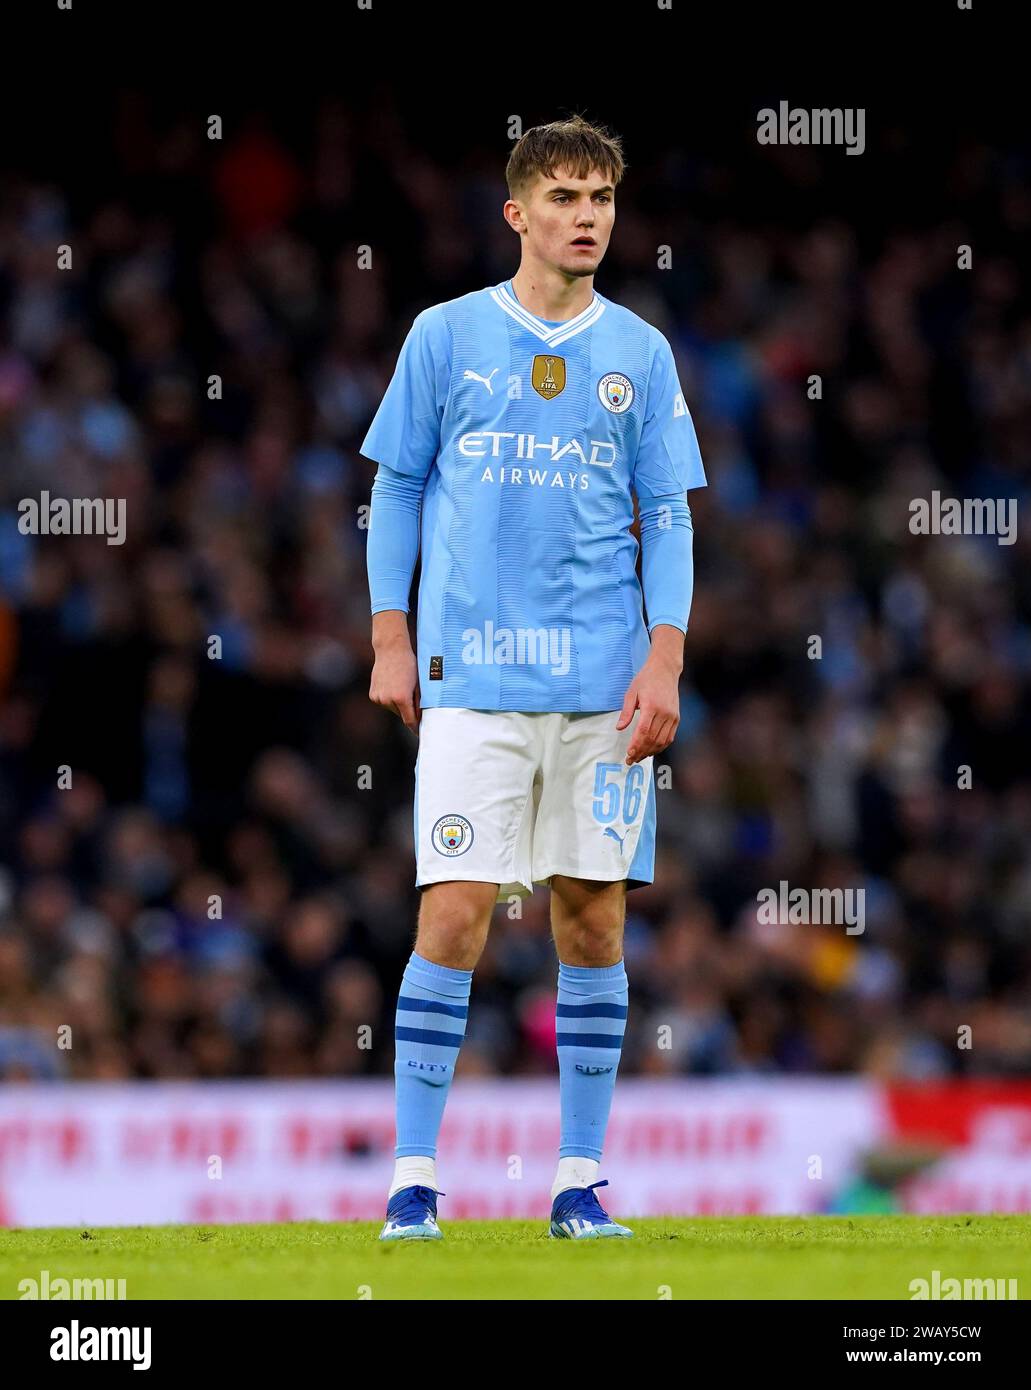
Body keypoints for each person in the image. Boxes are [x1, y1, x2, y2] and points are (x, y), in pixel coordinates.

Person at [362, 114, 706, 1240]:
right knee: (455, 910)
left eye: (600, 198)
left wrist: (665, 656)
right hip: (471, 679)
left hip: (605, 690)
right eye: (563, 197)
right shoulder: (445, 337)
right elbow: (398, 488)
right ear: (517, 213)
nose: (586, 217)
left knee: (591, 920)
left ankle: (576, 1180)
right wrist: (389, 634)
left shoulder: (640, 355)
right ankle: (413, 1177)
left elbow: (666, 515)